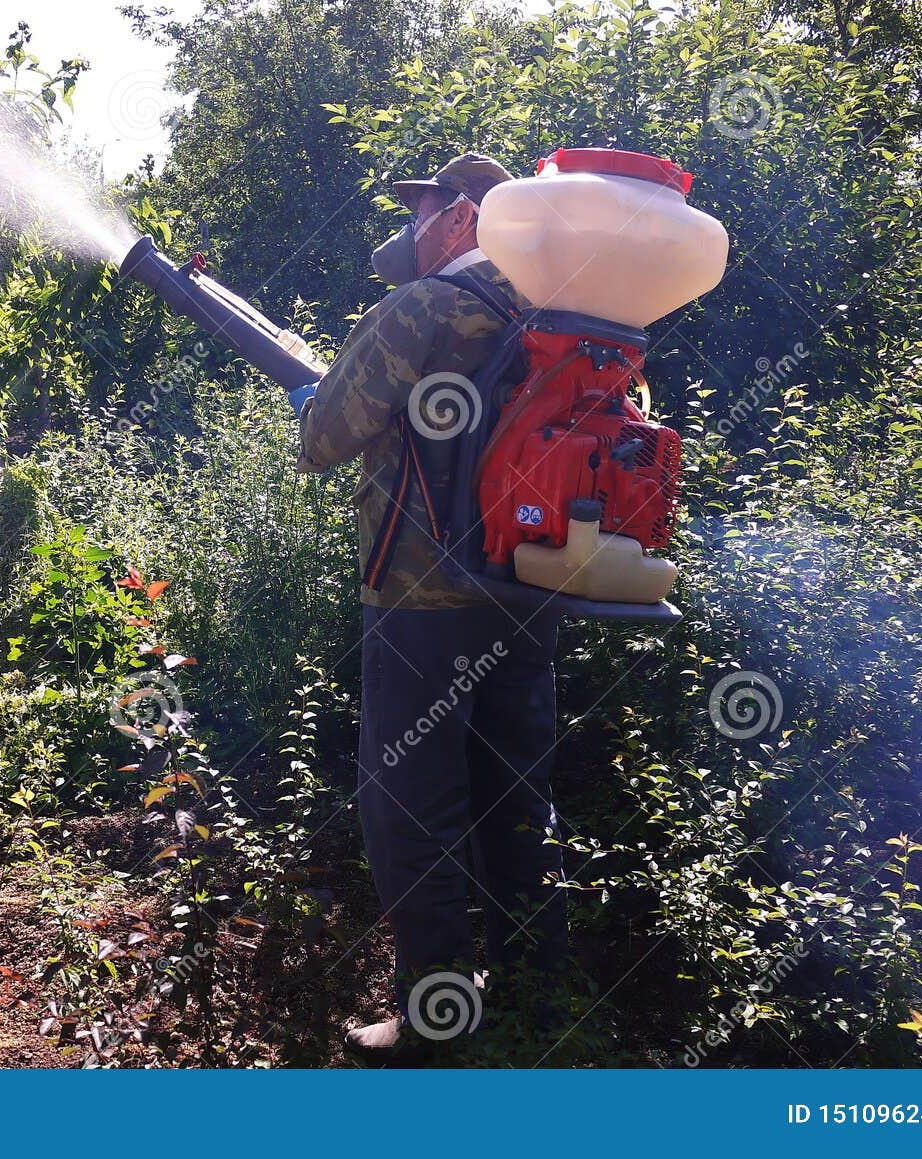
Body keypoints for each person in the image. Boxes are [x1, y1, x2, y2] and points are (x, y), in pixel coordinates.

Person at [290, 153, 571, 1065]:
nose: (407, 228)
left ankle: (434, 1017)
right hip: (527, 590)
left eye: (419, 210)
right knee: (516, 792)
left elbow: (322, 440)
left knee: (411, 805)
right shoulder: (551, 313)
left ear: (460, 218)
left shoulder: (421, 309)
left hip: (422, 601)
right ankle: (535, 991)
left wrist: (312, 404)